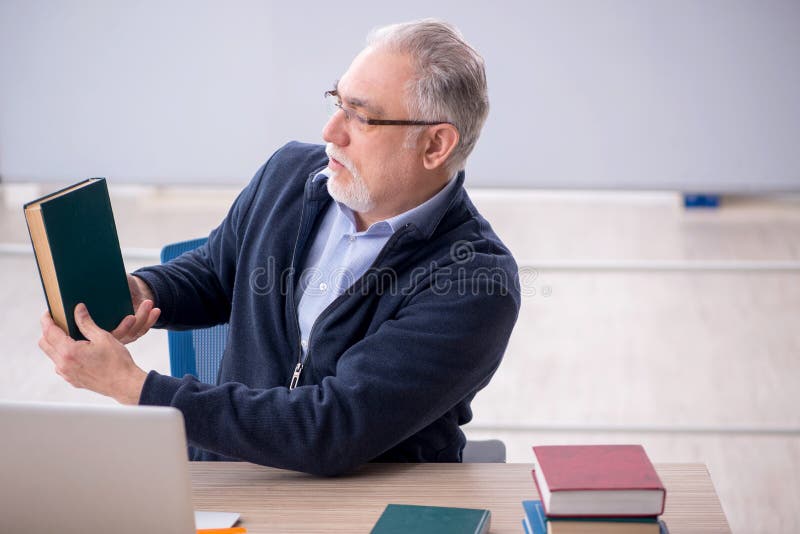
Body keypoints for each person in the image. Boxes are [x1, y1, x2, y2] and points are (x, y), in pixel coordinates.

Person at [38, 19, 520, 476]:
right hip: (225, 482)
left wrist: (134, 387)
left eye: (363, 117)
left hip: (369, 505)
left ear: (435, 146)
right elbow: (216, 272)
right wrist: (138, 293)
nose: (331, 132)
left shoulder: (476, 280)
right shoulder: (290, 174)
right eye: (337, 102)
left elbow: (335, 427)